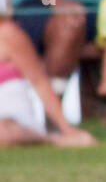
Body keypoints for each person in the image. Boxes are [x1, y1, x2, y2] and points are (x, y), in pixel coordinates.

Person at [0, 18, 95, 147]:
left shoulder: (8, 33)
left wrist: (66, 128)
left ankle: (50, 139)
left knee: (4, 130)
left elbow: (39, 81)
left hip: (12, 117)